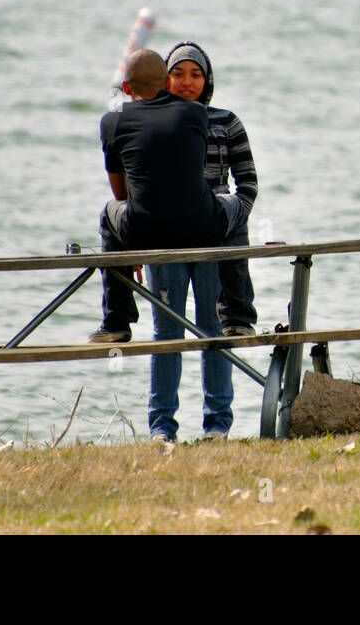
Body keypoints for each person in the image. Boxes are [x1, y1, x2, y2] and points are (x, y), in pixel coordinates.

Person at [141, 41, 259, 443]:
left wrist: (230, 217)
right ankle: (161, 427)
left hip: (213, 242)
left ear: (207, 80)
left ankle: (217, 425)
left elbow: (248, 184)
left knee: (213, 328)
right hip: (165, 242)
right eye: (178, 73)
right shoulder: (151, 122)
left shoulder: (226, 121)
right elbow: (136, 186)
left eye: (195, 74)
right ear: (164, 79)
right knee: (167, 334)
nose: (186, 82)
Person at [90, 49, 227, 345]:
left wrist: (131, 246)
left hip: (146, 232)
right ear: (167, 82)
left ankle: (117, 321)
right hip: (203, 229)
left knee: (108, 213)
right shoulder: (196, 113)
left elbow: (121, 194)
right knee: (235, 202)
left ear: (126, 88)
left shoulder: (111, 121)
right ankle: (238, 311)